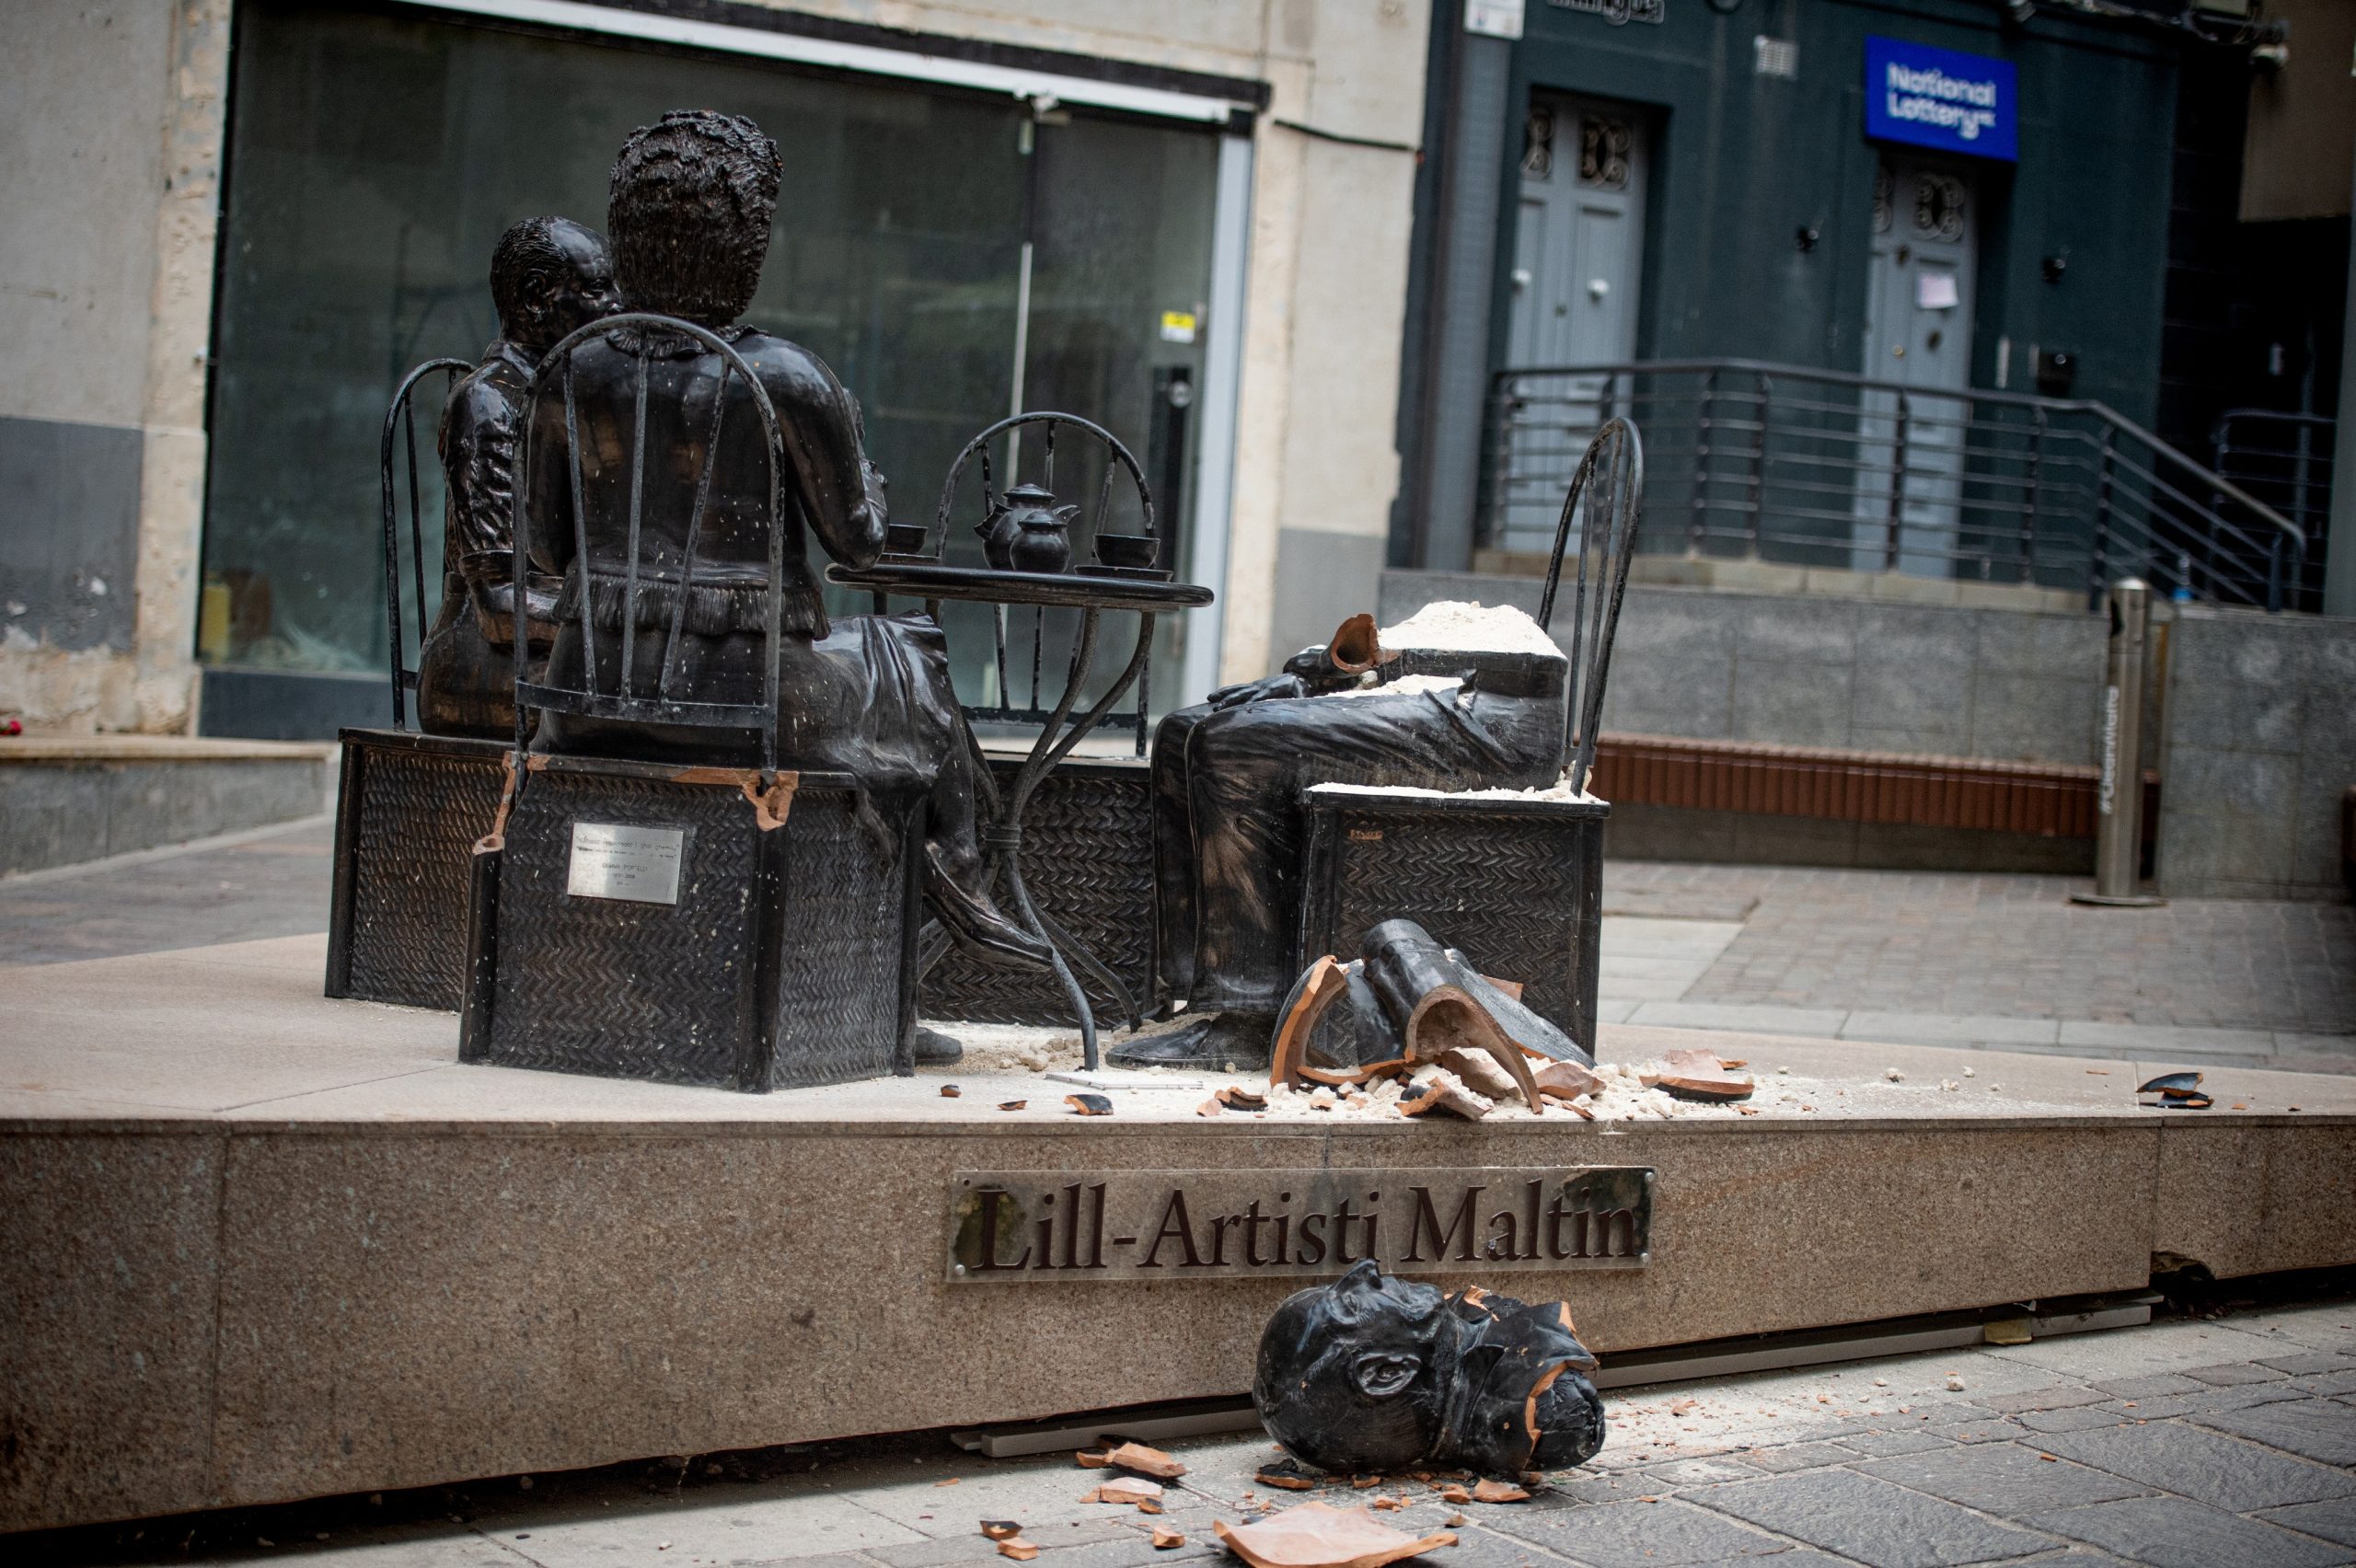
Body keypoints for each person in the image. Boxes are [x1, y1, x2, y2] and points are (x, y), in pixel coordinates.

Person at [522, 110, 1048, 984]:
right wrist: (865, 476)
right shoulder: (782, 376)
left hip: (583, 684)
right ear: (749, 239)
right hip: (747, 690)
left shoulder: (570, 370)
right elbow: (860, 544)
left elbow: (542, 550)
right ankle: (904, 962)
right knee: (912, 658)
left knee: (902, 672)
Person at [1115, 605, 1568, 1070]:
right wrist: (1318, 677)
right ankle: (1195, 989)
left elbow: (1499, 661)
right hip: (1455, 687)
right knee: (1180, 732)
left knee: (1230, 744)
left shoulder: (1505, 634)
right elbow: (1387, 651)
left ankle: (1246, 1016)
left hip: (1499, 717)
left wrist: (1324, 674)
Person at [417, 216, 622, 737]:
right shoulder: (491, 402)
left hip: (555, 650)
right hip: (485, 662)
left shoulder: (568, 401)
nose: (617, 306)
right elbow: (499, 606)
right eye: (598, 289)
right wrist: (619, 626)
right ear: (535, 296)